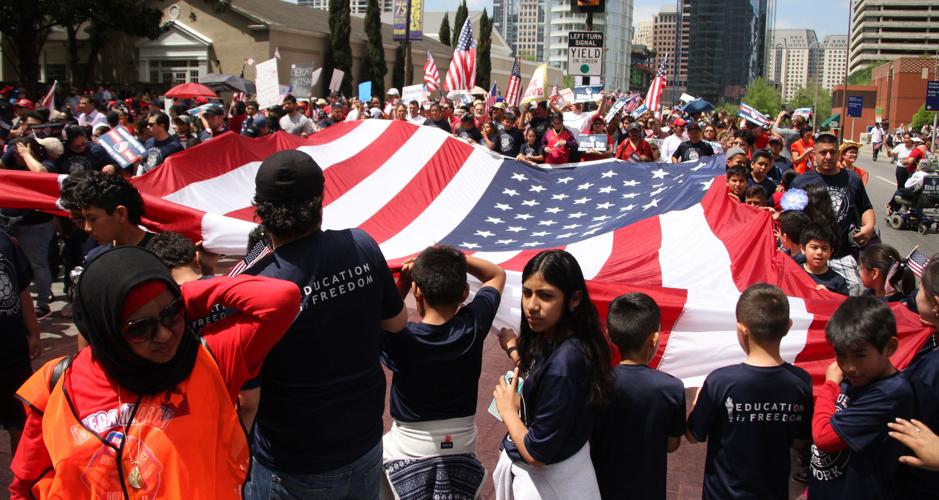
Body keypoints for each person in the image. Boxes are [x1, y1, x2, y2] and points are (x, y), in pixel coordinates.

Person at [8, 247, 299, 498]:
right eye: (140, 327)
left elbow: (281, 299)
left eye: (172, 313)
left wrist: (187, 294)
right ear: (105, 329)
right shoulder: (57, 383)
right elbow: (27, 483)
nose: (163, 335)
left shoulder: (211, 358)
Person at [242, 150, 408, 499]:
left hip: (293, 463)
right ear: (320, 199)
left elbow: (247, 400)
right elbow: (396, 323)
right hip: (362, 442)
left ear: (261, 209)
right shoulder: (361, 245)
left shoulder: (255, 283)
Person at [379, 247, 505, 498]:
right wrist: (455, 261)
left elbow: (386, 317)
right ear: (465, 293)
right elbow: (496, 275)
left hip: (404, 451)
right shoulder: (472, 326)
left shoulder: (403, 339)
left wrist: (403, 282)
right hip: (462, 449)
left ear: (417, 291)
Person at [492, 250, 611, 500]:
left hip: (548, 487)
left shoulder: (565, 364)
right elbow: (539, 369)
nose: (532, 306)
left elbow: (537, 453)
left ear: (574, 299)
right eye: (527, 293)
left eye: (545, 296)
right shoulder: (555, 338)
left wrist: (508, 411)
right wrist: (514, 351)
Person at [686, 283, 812, 500]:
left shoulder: (720, 381)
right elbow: (800, 441)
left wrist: (699, 406)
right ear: (788, 326)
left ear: (742, 328)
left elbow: (693, 435)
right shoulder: (800, 382)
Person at [809, 296, 914, 499]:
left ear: (890, 347)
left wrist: (830, 385)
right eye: (840, 355)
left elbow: (824, 436)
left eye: (860, 355)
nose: (849, 367)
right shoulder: (853, 380)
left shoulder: (888, 393)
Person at [590, 293, 685, 500]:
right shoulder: (672, 388)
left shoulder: (595, 382)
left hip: (599, 488)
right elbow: (671, 444)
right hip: (648, 490)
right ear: (654, 339)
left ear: (610, 335)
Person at [791, 132, 876, 296]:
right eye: (823, 152)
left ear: (839, 153)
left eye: (833, 152)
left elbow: (865, 207)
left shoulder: (853, 179)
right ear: (814, 154)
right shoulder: (800, 182)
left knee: (849, 302)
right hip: (809, 257)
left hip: (842, 256)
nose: (828, 156)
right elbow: (791, 218)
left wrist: (869, 226)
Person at [0, 228, 40, 462]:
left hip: (11, 350)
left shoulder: (4, 240)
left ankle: (22, 485)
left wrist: (34, 332)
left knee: (22, 423)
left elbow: (23, 290)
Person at [858, 244, 915, 309]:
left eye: (861, 268)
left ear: (874, 273)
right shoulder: (869, 292)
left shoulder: (895, 307)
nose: (859, 272)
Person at [800, 223, 849, 295]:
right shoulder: (794, 273)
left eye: (824, 248)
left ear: (831, 252)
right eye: (814, 247)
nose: (819, 252)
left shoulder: (838, 281)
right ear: (803, 249)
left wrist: (828, 296)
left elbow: (843, 304)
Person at [137, 112, 182, 176]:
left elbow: (177, 172)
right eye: (148, 124)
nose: (147, 126)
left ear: (161, 126)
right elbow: (143, 163)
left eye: (151, 124)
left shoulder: (175, 147)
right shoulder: (149, 141)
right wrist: (138, 177)